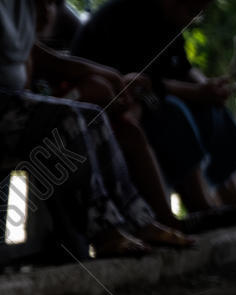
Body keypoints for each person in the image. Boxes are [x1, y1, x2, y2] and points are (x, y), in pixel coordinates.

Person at [2, 0, 192, 257]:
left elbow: (32, 54)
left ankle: (138, 221)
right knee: (67, 118)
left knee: (94, 116)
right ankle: (103, 231)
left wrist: (103, 74)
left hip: (19, 102)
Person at [71, 0, 236, 215]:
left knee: (211, 106)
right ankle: (198, 203)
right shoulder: (127, 16)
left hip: (147, 96)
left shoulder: (170, 22)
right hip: (115, 103)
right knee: (172, 112)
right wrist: (195, 92)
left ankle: (230, 197)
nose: (191, 20)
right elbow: (140, 82)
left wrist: (206, 86)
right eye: (191, 11)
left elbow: (183, 68)